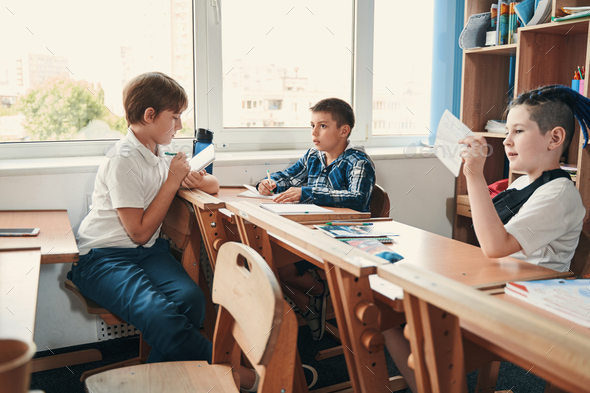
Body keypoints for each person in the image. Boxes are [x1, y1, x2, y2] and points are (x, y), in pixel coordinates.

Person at [385, 85, 588, 392]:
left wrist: (474, 175)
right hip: (499, 286)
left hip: (528, 306)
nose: (506, 141)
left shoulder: (559, 194)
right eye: (507, 131)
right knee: (390, 315)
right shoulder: (522, 186)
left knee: (424, 334)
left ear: (555, 138)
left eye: (518, 131)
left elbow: (495, 246)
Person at [67, 72, 257, 390]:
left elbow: (213, 184)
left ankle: (155, 381)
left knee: (192, 301)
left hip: (147, 253)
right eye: (176, 116)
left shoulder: (160, 152)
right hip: (103, 257)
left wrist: (195, 179)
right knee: (160, 317)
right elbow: (139, 232)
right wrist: (173, 181)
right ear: (150, 115)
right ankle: (238, 375)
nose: (180, 126)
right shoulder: (123, 161)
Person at [257, 97, 376, 341]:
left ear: (344, 131)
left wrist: (307, 192)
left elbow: (357, 198)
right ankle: (314, 299)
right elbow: (290, 176)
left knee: (277, 265)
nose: (314, 132)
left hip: (343, 237)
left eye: (322, 126)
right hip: (312, 231)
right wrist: (270, 183)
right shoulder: (314, 155)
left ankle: (318, 296)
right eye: (312, 125)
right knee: (268, 262)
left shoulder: (358, 161)